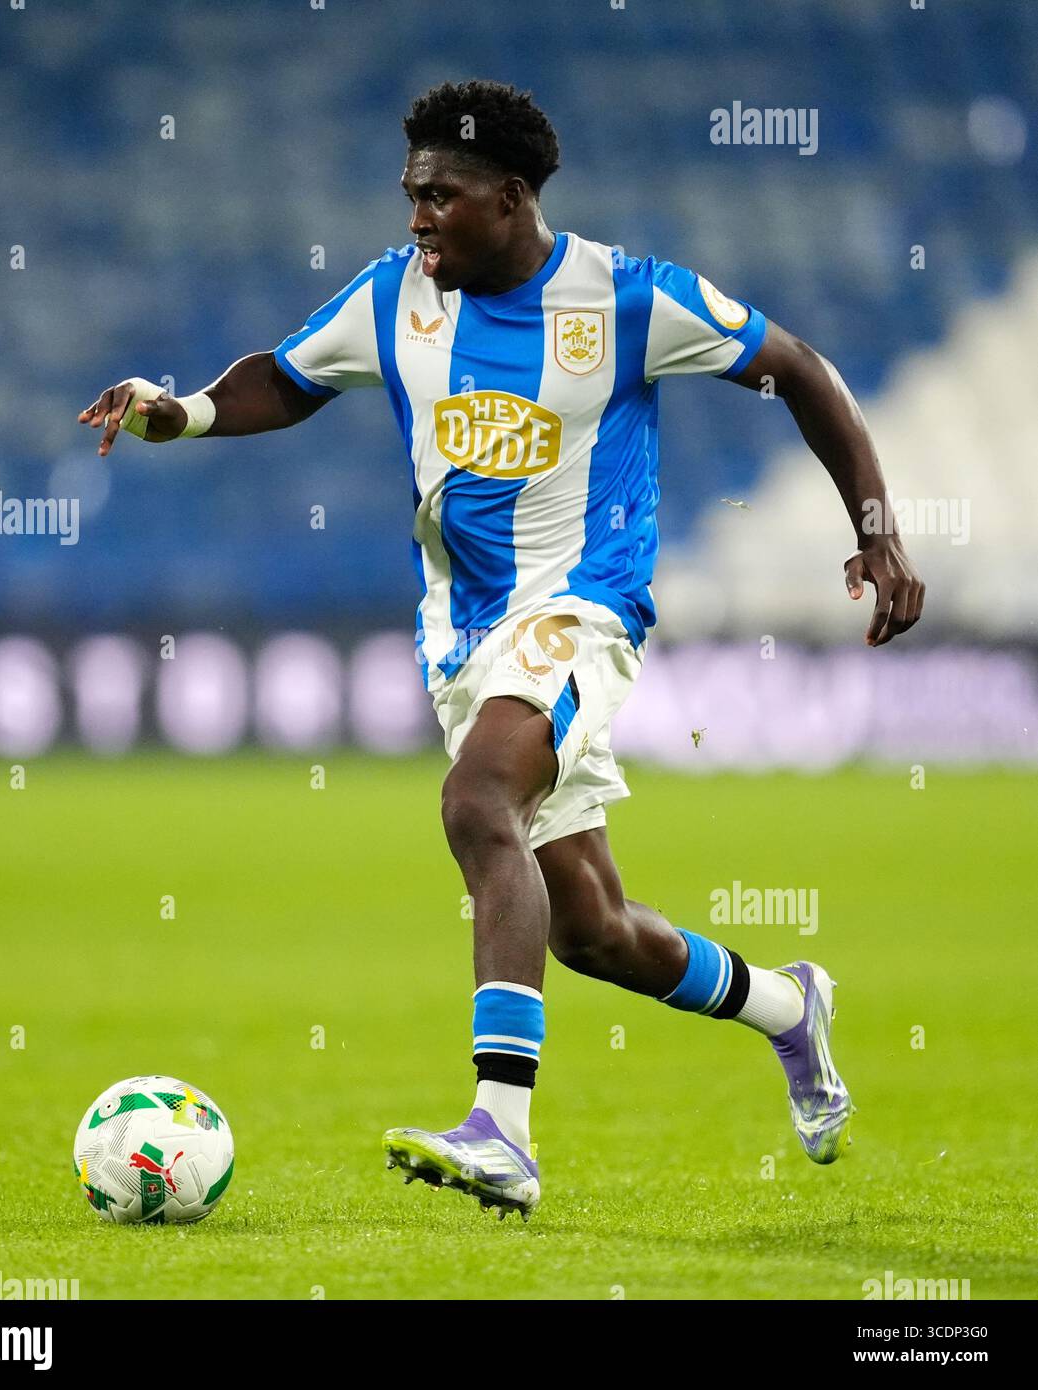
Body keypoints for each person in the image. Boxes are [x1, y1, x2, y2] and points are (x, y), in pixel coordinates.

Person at [79, 80, 924, 1221]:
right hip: (463, 641)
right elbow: (286, 377)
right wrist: (174, 411)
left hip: (582, 609)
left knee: (477, 802)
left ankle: (503, 1130)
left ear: (513, 199)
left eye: (442, 197)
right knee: (594, 931)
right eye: (411, 195)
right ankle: (788, 1004)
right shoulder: (394, 297)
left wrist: (877, 534)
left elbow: (804, 373)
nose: (418, 217)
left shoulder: (631, 297)